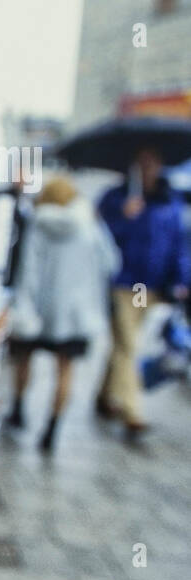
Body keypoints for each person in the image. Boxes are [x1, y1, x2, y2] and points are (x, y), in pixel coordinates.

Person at [6, 177, 119, 452]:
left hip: (39, 311)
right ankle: (52, 429)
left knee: (24, 360)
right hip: (75, 314)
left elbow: (28, 272)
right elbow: (112, 263)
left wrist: (24, 307)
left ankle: (19, 410)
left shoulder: (38, 224)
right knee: (65, 371)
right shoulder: (91, 225)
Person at [96, 146, 191, 438]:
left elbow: (179, 244)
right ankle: (132, 409)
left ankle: (105, 394)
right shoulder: (117, 198)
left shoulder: (169, 202)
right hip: (127, 283)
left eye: (152, 163)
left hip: (153, 285)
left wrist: (182, 279)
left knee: (125, 342)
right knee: (128, 343)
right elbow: (100, 238)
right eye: (142, 163)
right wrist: (124, 218)